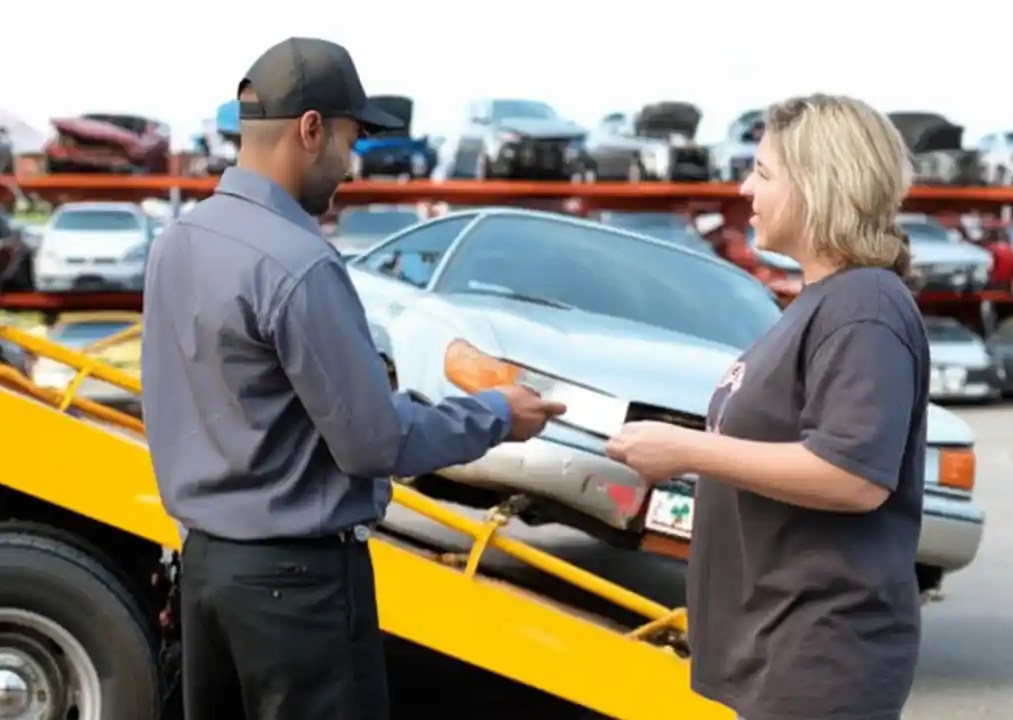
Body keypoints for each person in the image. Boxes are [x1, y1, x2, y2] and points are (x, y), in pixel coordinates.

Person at [139, 37, 565, 720]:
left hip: (209, 571)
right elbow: (375, 442)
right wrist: (495, 413)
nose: (352, 166)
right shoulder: (299, 263)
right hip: (297, 590)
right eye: (350, 140)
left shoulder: (181, 242)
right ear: (311, 129)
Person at [606, 93, 929, 720]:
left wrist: (687, 450)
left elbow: (854, 477)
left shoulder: (864, 304)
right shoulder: (823, 301)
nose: (745, 189)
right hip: (777, 649)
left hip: (818, 657)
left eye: (763, 172)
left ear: (820, 184)